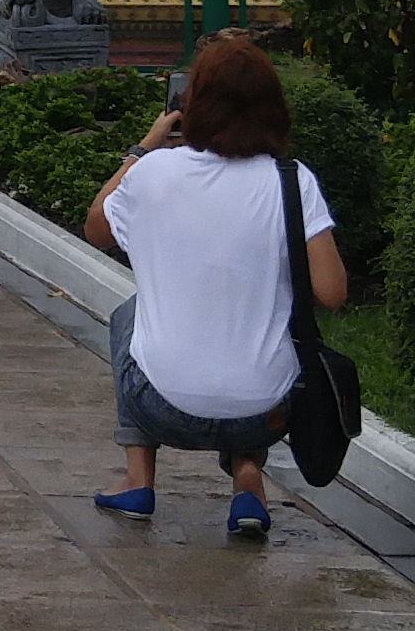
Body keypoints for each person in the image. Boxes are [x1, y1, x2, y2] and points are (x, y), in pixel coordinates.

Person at [82, 31, 346, 541]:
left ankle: (138, 480)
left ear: (193, 104)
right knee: (255, 332)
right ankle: (248, 482)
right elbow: (332, 292)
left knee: (129, 315)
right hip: (266, 415)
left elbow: (96, 227)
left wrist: (143, 147)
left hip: (161, 407)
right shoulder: (292, 180)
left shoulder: (155, 173)